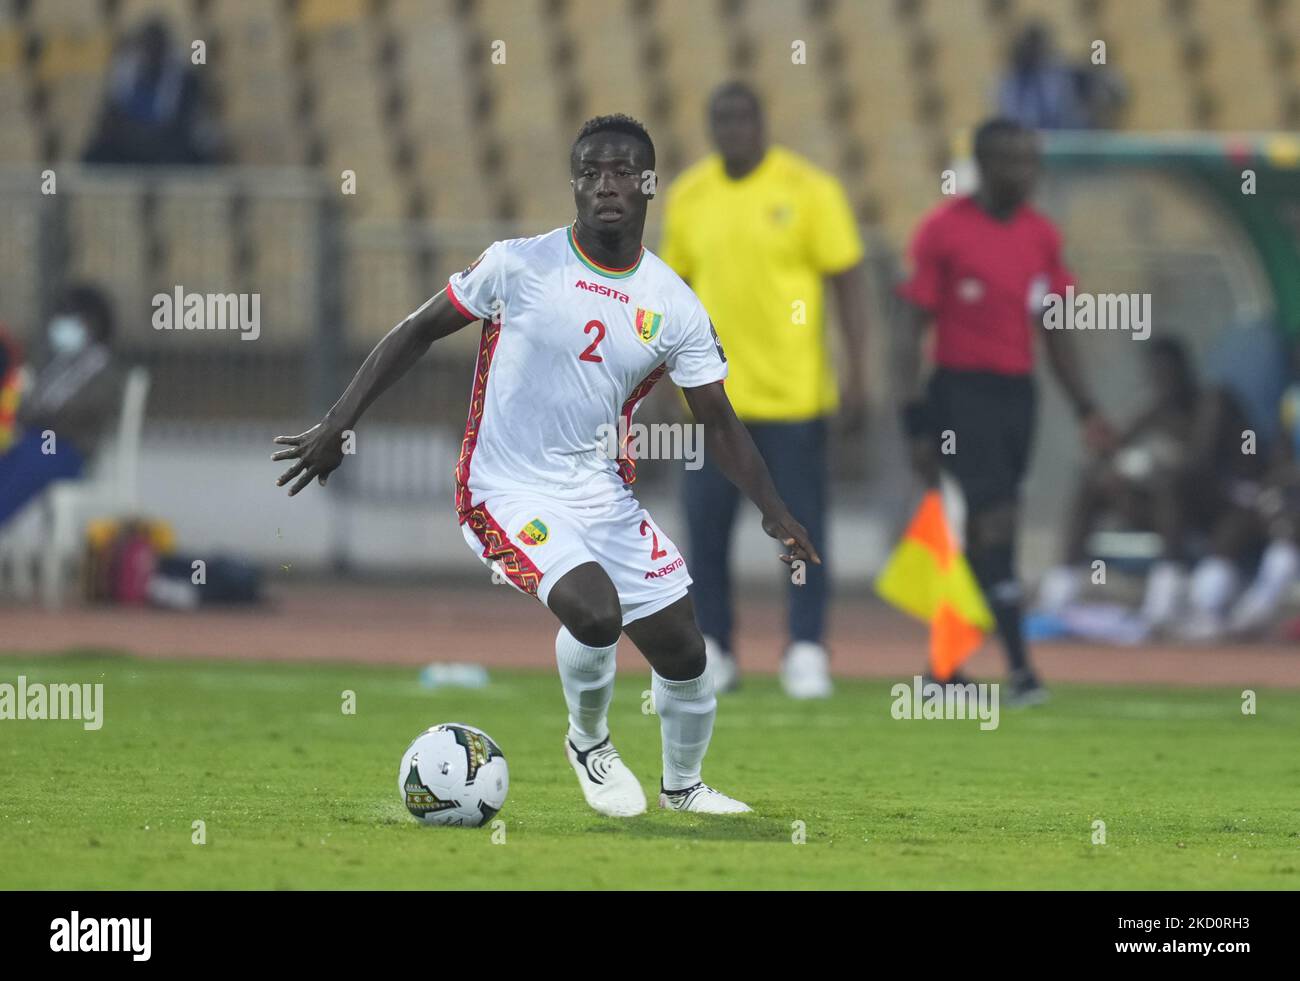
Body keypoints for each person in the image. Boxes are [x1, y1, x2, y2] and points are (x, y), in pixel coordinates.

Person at [273, 114, 820, 817]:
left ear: (648, 185)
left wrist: (774, 510)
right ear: (575, 186)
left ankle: (683, 788)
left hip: (599, 492)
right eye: (590, 173)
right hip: (502, 487)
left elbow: (717, 419)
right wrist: (338, 422)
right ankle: (588, 742)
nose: (606, 185)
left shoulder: (673, 303)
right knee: (595, 614)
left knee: (686, 652)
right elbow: (414, 332)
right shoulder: (518, 264)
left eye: (622, 171)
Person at [658, 81, 870, 698]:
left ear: (762, 122)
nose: (732, 128)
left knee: (801, 529)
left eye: (743, 117)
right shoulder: (690, 195)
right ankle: (718, 648)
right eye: (720, 118)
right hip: (711, 402)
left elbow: (849, 282)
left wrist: (857, 371)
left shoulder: (808, 190)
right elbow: (671, 296)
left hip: (795, 398)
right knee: (706, 531)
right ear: (710, 126)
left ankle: (805, 648)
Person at [895, 117, 1116, 705]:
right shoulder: (943, 231)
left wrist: (1086, 406)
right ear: (986, 164)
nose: (1026, 172)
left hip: (1019, 396)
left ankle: (943, 671)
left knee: (987, 533)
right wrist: (914, 419)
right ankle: (1020, 670)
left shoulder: (1041, 236)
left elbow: (1057, 328)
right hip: (959, 394)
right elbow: (910, 329)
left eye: (1031, 160)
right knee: (993, 525)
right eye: (1014, 160)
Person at [0, 285, 124, 529]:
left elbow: (82, 411)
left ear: (90, 323)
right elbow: (28, 406)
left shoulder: (102, 368)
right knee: (11, 457)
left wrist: (40, 414)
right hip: (36, 443)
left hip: (69, 451)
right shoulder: (59, 365)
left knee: (29, 459)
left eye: (69, 318)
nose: (60, 325)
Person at [83, 17, 223, 166]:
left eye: (157, 47)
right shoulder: (125, 76)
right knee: (96, 154)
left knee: (197, 158)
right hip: (129, 144)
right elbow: (111, 117)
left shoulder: (186, 80)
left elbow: (183, 123)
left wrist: (150, 135)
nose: (152, 53)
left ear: (165, 49)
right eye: (148, 47)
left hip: (168, 145)